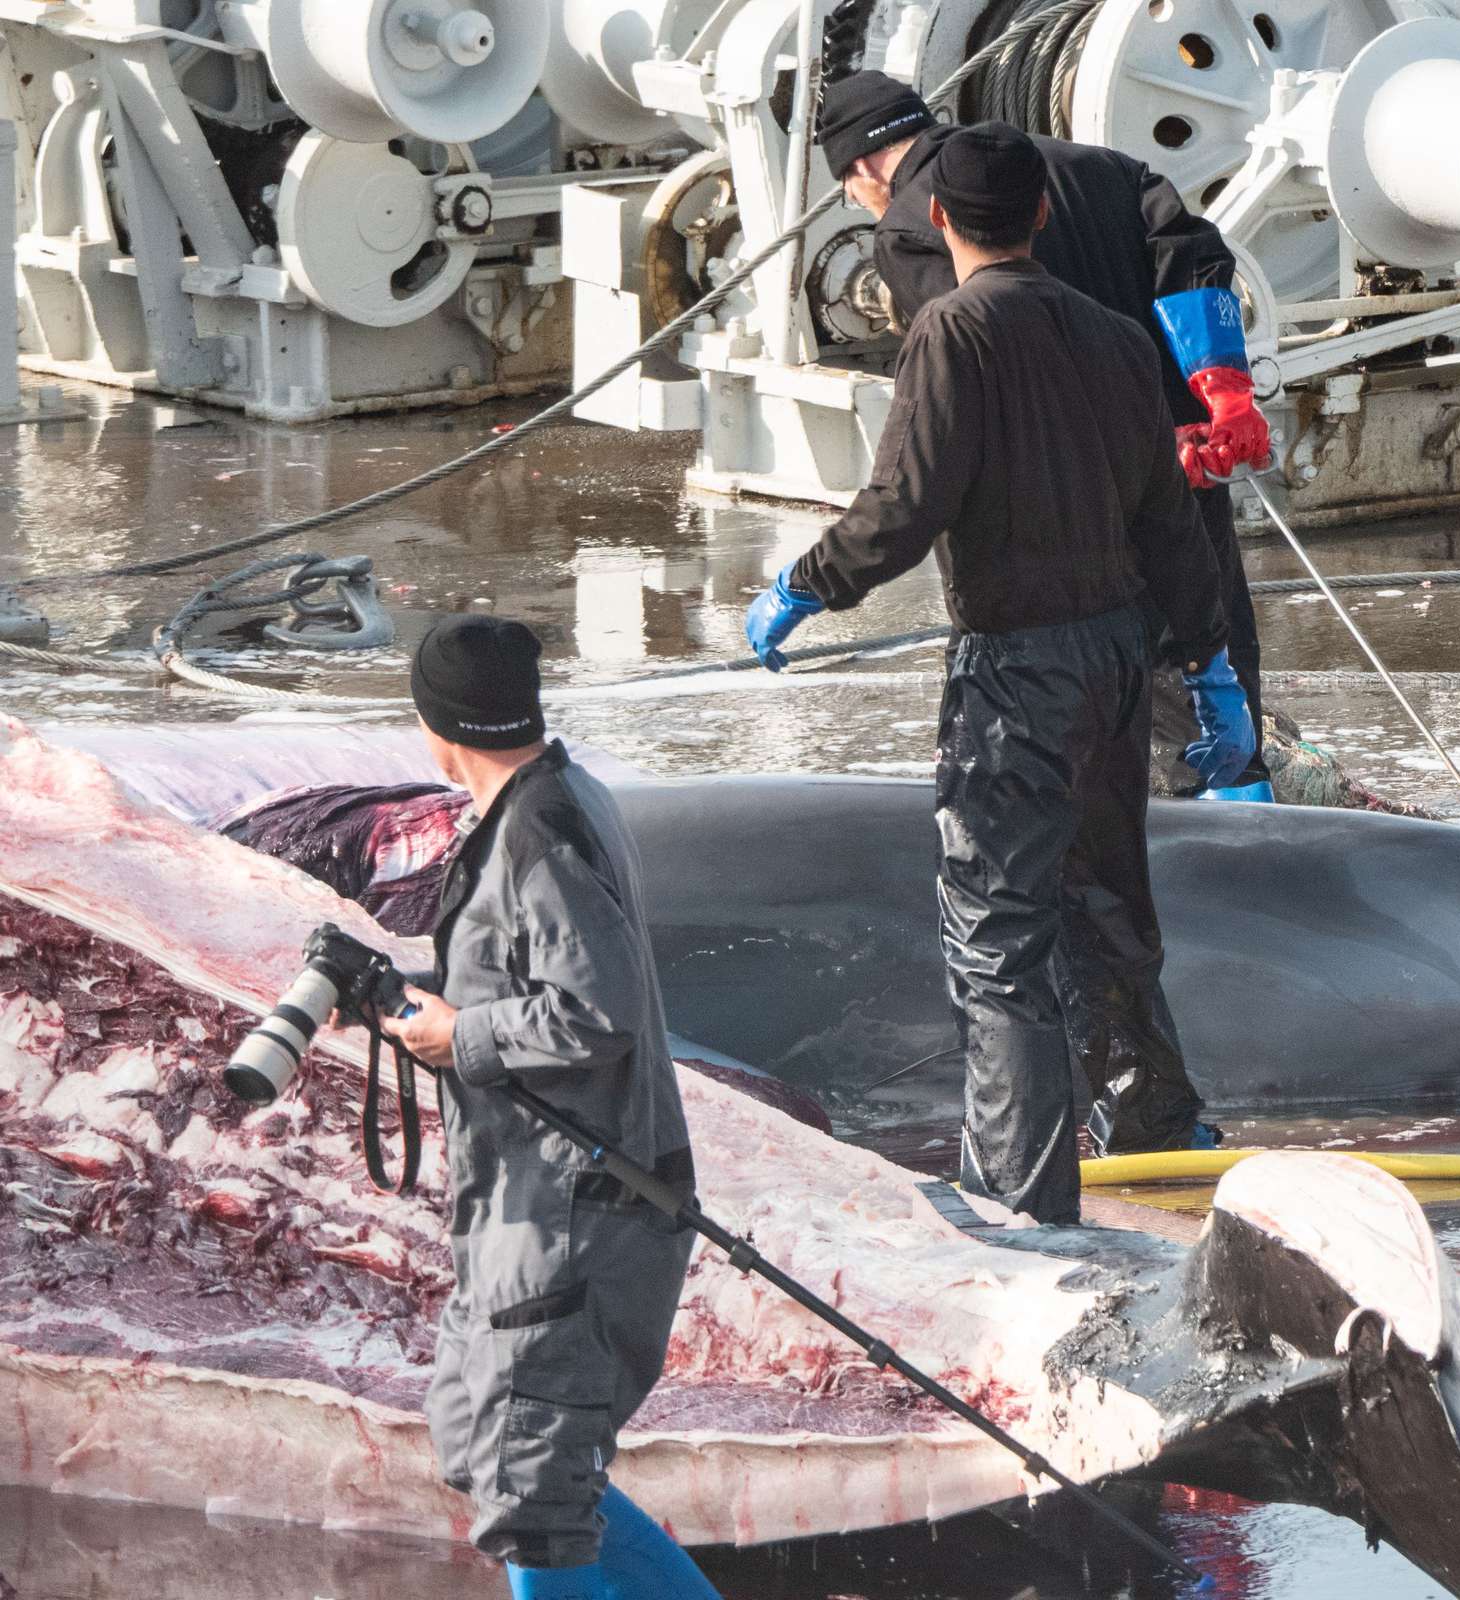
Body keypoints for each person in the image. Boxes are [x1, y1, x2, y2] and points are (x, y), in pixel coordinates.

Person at [743, 122, 1250, 1220]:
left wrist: (804, 585)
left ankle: (1020, 1196)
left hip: (1016, 672)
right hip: (1117, 659)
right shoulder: (1118, 337)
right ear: (1042, 214)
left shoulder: (951, 331)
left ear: (937, 220)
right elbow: (1172, 521)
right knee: (1108, 904)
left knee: (997, 930)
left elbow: (904, 507)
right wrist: (1210, 663)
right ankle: (1157, 1119)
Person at [814, 71, 1276, 802]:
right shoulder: (1102, 168)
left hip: (1068, 514)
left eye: (849, 186)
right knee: (1212, 668)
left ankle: (1179, 849)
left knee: (1110, 735)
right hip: (1186, 466)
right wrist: (1222, 392)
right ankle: (1257, 832)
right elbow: (1192, 255)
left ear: (863, 164)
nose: (859, 200)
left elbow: (996, 351)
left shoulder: (910, 228)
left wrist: (814, 580)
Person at [385, 614, 717, 1600]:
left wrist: (462, 1036)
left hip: (579, 1210)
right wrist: (423, 1001)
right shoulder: (560, 797)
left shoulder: (539, 832)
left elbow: (597, 1009)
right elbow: (542, 977)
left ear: (439, 726)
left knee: (533, 1488)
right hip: (524, 1204)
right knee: (482, 1445)